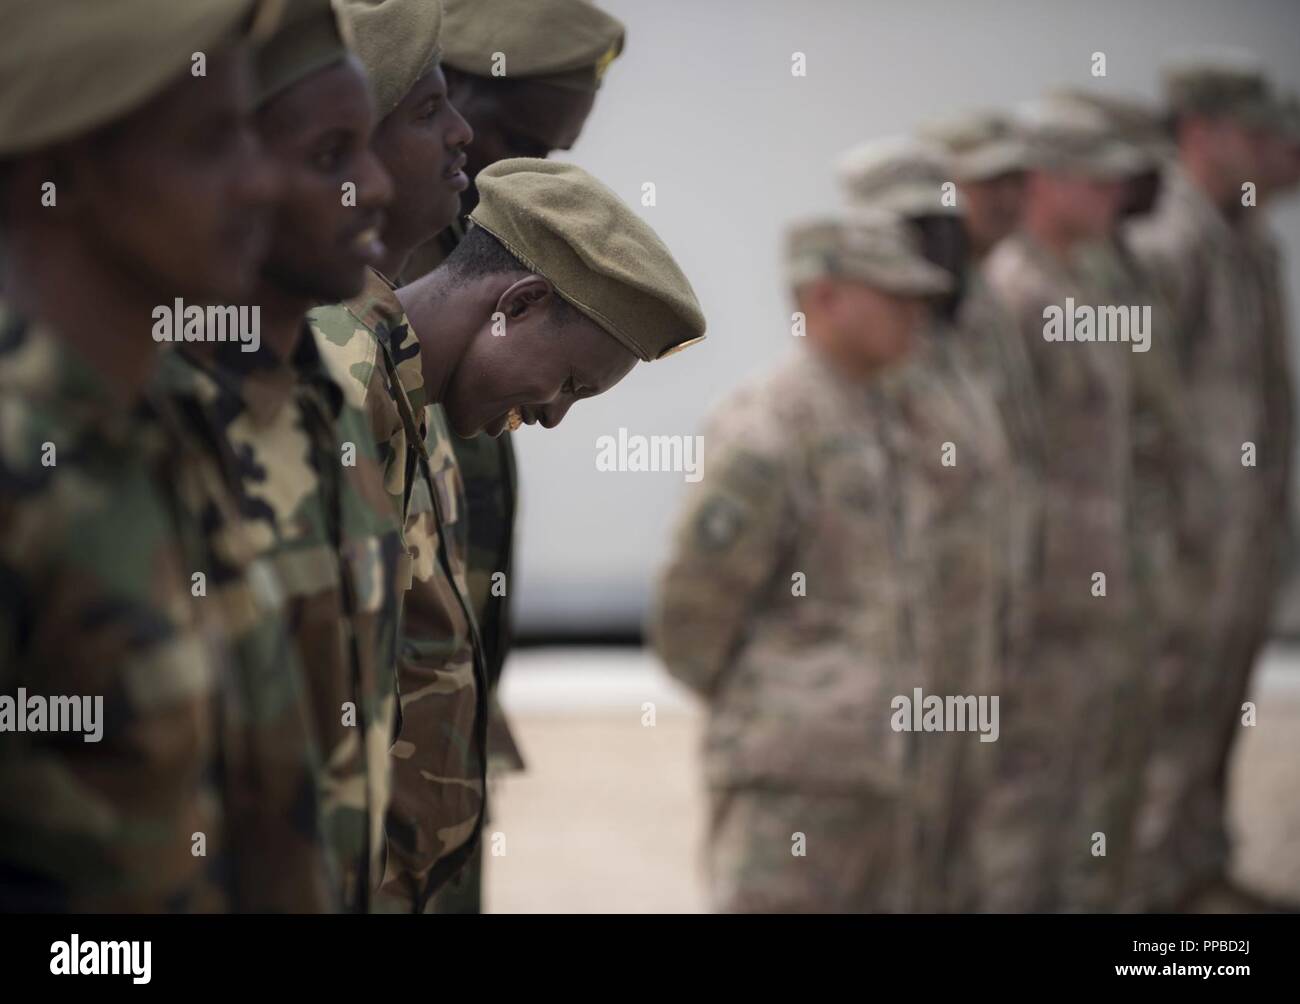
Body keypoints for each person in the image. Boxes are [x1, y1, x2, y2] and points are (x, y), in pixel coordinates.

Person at [0, 0, 286, 910]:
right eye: (210, 144)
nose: (261, 184)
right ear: (61, 176)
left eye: (254, 133)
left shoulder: (165, 429)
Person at [154, 0, 408, 914]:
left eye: (371, 148)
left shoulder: (331, 397)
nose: (374, 188)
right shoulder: (144, 423)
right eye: (331, 158)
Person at [652, 211, 952, 912]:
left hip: (885, 766)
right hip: (792, 776)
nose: (915, 313)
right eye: (893, 294)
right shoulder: (770, 427)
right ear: (824, 298)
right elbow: (692, 611)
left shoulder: (885, 414)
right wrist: (783, 702)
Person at [409, 0, 627, 914]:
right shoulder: (368, 275)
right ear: (443, 90)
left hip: (434, 740)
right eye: (516, 135)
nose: (519, 172)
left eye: (554, 152)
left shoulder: (474, 251)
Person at [1128, 54, 1296, 912]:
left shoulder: (1246, 242)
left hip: (1237, 539)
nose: (1278, 150)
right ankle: (1154, 903)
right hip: (1182, 546)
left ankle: (1195, 871)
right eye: (1256, 132)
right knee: (1164, 726)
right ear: (1201, 131)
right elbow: (1138, 414)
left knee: (1216, 716)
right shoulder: (1169, 243)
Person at [835, 136, 1018, 911]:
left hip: (968, 648)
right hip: (890, 667)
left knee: (958, 857)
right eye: (915, 225)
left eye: (945, 219)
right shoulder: (860, 359)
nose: (941, 240)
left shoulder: (968, 331)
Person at [979, 96, 1150, 911]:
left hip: (1095, 584)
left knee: (1086, 789)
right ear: (1045, 180)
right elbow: (1003, 461)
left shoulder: (1087, 278)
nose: (1116, 196)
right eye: (1097, 180)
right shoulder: (1016, 293)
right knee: (1024, 801)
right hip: (1041, 596)